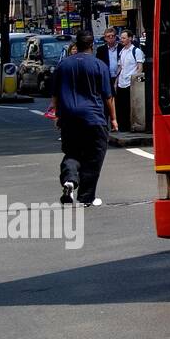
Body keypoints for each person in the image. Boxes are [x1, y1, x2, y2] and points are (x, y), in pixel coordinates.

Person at [51, 29, 117, 207]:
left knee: (72, 152)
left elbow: (55, 95)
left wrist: (57, 115)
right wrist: (113, 119)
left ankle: (70, 180)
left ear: (76, 44)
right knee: (94, 157)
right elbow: (108, 96)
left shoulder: (63, 65)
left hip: (69, 118)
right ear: (92, 45)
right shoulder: (99, 65)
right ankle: (86, 197)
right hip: (94, 117)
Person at [114, 29, 145, 132]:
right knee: (121, 106)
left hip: (130, 83)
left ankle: (130, 125)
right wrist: (116, 81)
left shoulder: (136, 51)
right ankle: (122, 126)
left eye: (124, 38)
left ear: (130, 38)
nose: (121, 40)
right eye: (121, 38)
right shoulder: (122, 51)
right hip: (121, 82)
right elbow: (120, 67)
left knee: (130, 106)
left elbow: (139, 67)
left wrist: (135, 81)